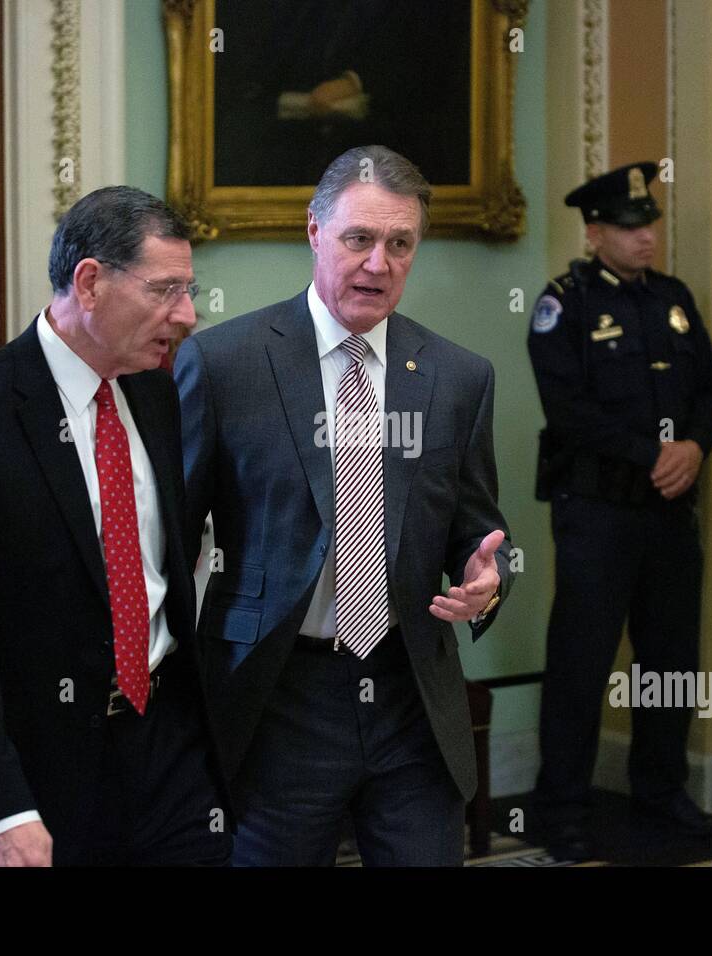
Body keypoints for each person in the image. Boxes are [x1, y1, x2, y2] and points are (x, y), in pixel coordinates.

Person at [174, 145, 514, 866]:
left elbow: (479, 532)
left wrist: (487, 581)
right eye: (359, 239)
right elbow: (168, 539)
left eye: (400, 244)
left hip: (410, 696)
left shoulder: (458, 378)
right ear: (315, 232)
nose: (378, 263)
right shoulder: (226, 363)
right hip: (278, 696)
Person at [0, 186, 231, 866]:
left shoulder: (157, 389)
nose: (186, 314)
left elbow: (164, 561)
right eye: (164, 290)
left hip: (167, 745)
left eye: (189, 289)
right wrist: (0, 807)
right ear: (90, 282)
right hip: (38, 762)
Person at [527, 162, 712, 862]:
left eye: (650, 223)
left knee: (671, 658)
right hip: (598, 513)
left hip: (670, 514)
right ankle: (560, 805)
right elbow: (569, 412)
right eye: (628, 226)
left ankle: (661, 789)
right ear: (594, 232)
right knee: (581, 662)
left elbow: (710, 391)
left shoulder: (673, 298)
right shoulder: (565, 304)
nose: (646, 236)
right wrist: (655, 454)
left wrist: (696, 450)